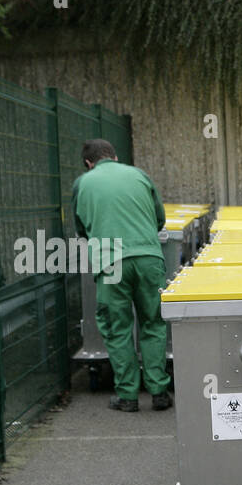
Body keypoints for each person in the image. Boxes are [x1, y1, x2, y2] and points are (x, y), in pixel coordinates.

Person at [71, 139, 173, 412]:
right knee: (153, 322)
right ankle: (159, 392)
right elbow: (159, 219)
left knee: (118, 328)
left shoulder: (83, 183)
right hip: (148, 257)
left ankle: (128, 395)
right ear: (114, 157)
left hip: (111, 260)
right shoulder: (139, 175)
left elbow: (81, 227)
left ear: (88, 163)